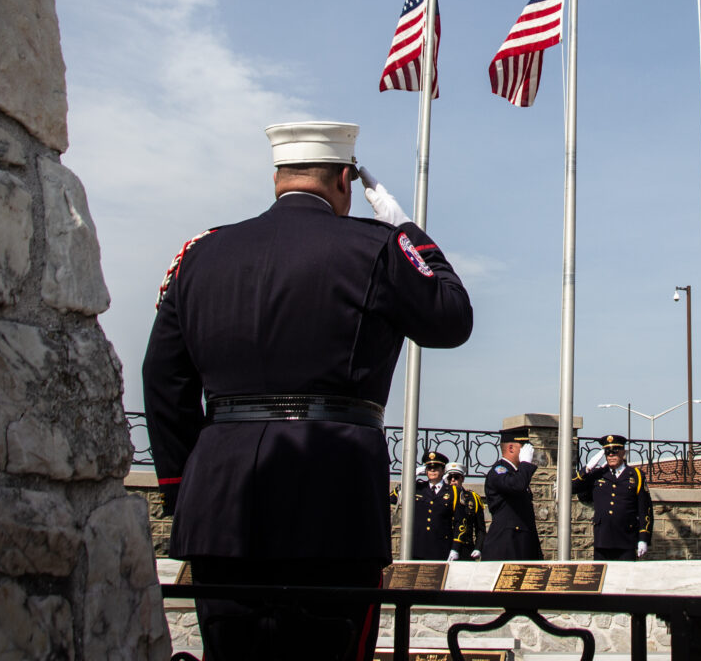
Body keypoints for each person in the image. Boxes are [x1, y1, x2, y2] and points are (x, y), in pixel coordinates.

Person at [143, 120, 473, 660]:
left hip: (220, 507)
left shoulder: (201, 254)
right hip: (333, 497)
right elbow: (451, 319)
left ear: (278, 176)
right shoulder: (379, 246)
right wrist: (410, 232)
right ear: (345, 180)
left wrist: (183, 484)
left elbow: (164, 379)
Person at [572, 434, 653, 560]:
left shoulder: (636, 475)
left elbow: (645, 509)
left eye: (615, 452)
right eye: (608, 452)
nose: (611, 455)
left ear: (623, 452)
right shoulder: (597, 474)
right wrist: (586, 470)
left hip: (626, 539)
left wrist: (644, 538)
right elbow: (571, 488)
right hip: (602, 539)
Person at [482, 430, 542, 561]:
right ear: (511, 448)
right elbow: (517, 485)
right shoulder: (499, 471)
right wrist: (526, 464)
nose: (528, 451)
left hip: (521, 544)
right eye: (523, 446)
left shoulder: (515, 473)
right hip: (507, 545)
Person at [411, 452, 472, 560]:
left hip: (441, 549)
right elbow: (393, 498)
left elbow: (461, 522)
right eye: (429, 468)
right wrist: (409, 478)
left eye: (436, 468)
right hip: (417, 548)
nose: (432, 471)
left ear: (443, 470)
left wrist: (455, 548)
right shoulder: (417, 488)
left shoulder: (454, 492)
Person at [444, 461, 486, 560]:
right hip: (446, 546)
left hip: (465, 549)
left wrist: (478, 548)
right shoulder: (442, 497)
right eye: (450, 477)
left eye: (456, 477)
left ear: (462, 478)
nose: (453, 480)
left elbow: (480, 528)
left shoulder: (473, 498)